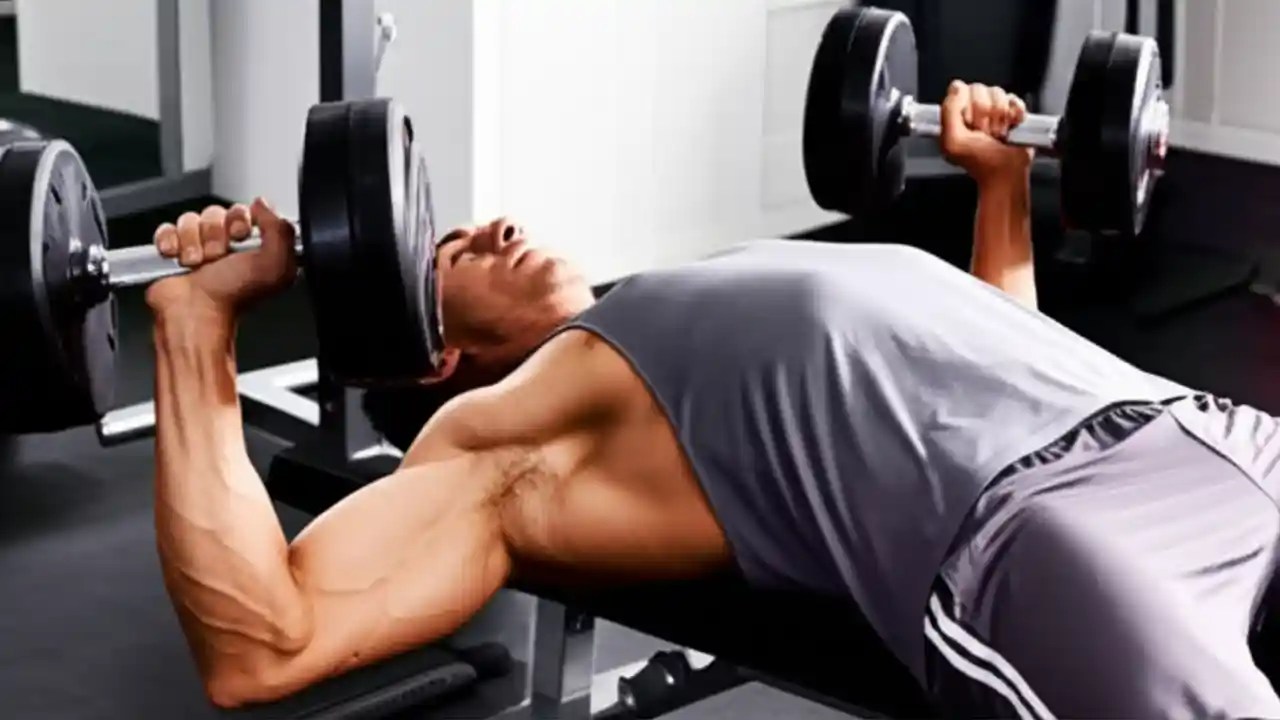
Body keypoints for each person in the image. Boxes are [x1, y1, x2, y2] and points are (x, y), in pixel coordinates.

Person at [145, 80, 1280, 719]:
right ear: (432, 354)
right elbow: (262, 645)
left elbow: (992, 356)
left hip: (1200, 434)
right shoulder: (514, 431)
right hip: (1042, 543)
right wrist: (198, 333)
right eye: (448, 250)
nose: (490, 224)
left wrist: (998, 187)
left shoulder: (689, 291)